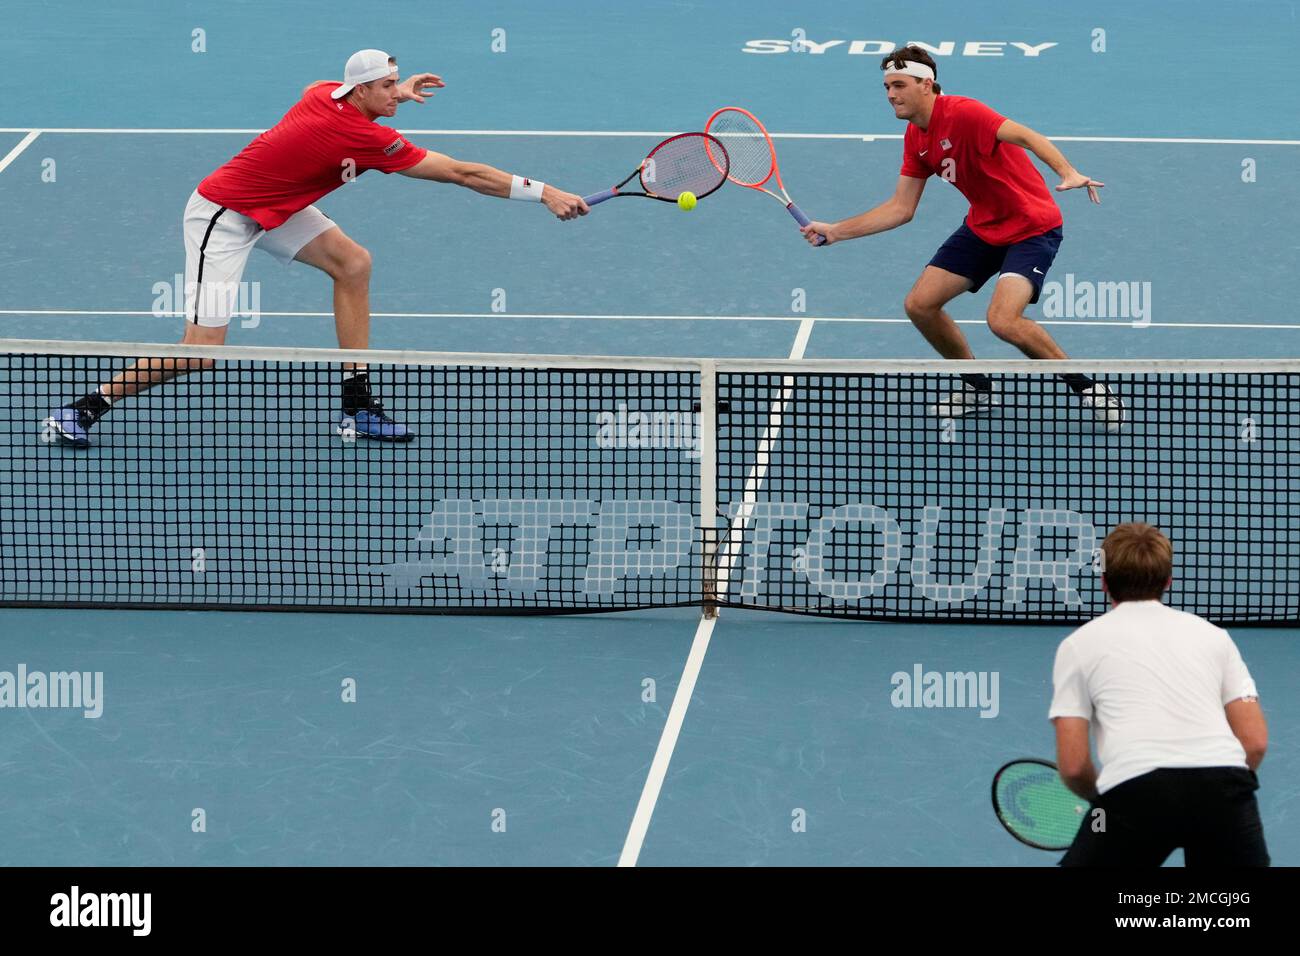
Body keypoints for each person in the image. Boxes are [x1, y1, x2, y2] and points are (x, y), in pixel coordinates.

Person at [49, 49, 588, 446]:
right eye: (387, 87)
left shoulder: (323, 92)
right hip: (225, 214)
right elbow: (463, 173)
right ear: (359, 93)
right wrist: (545, 193)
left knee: (353, 264)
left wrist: (396, 93)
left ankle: (356, 405)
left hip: (278, 206)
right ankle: (83, 408)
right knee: (202, 350)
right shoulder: (364, 137)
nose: (397, 92)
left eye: (397, 82)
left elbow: (320, 82)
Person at [800, 45, 1124, 431]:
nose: (891, 94)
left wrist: (1068, 171)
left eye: (899, 85)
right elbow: (902, 208)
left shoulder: (965, 113)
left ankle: (1088, 388)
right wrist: (836, 230)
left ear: (926, 83)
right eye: (887, 87)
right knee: (920, 305)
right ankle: (976, 386)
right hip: (983, 228)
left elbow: (1026, 135)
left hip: (1031, 227)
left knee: (1003, 320)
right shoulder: (915, 138)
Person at [1049, 522, 1270, 865]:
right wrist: (1216, 793)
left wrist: (1103, 802)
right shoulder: (1215, 637)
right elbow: (1254, 742)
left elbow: (1075, 766)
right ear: (1167, 581)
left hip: (1136, 792)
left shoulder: (1077, 647)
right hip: (1225, 789)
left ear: (1105, 582)